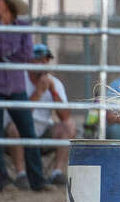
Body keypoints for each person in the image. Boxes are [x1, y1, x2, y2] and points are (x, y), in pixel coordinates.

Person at [0, 0, 47, 192]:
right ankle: (1, 181)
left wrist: (1, 48)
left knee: (28, 131)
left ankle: (38, 181)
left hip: (14, 86)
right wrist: (12, 48)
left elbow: (27, 56)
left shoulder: (23, 27)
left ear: (7, 3)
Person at [5, 44, 74, 186]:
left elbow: (65, 117)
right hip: (18, 133)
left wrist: (53, 91)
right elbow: (20, 115)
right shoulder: (19, 80)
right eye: (39, 60)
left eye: (46, 60)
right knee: (14, 128)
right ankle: (21, 175)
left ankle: (57, 173)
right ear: (29, 61)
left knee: (69, 126)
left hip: (43, 132)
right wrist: (38, 93)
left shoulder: (54, 83)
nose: (44, 64)